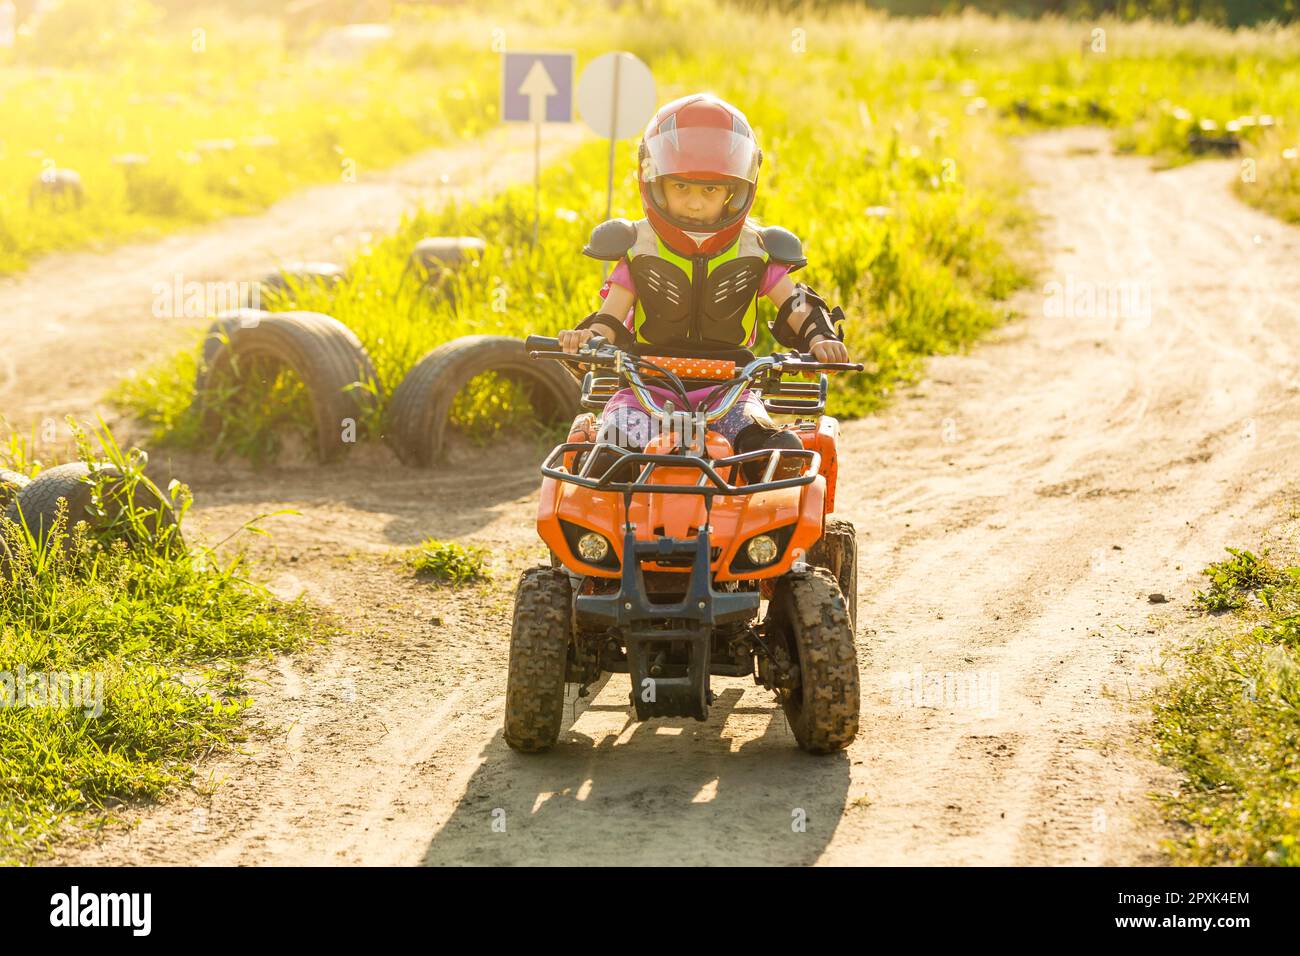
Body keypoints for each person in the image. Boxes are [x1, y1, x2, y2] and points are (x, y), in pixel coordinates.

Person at [557, 93, 852, 480]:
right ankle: (598, 541)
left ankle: (765, 541)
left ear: (734, 190)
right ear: (655, 184)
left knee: (779, 456)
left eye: (710, 190)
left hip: (730, 394)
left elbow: (793, 303)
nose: (695, 203)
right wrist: (586, 342)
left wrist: (819, 339)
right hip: (646, 392)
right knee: (606, 457)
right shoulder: (636, 247)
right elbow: (610, 320)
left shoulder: (759, 248)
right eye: (682, 187)